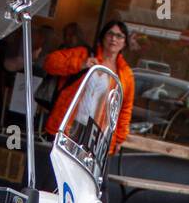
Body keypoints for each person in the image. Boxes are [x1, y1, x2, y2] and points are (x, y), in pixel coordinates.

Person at [42, 20, 134, 153]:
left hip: (95, 134)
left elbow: (125, 108)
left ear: (124, 42)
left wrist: (119, 138)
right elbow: (50, 62)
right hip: (69, 124)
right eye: (110, 34)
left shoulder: (125, 73)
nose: (114, 39)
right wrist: (81, 64)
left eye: (119, 36)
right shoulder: (84, 54)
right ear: (103, 37)